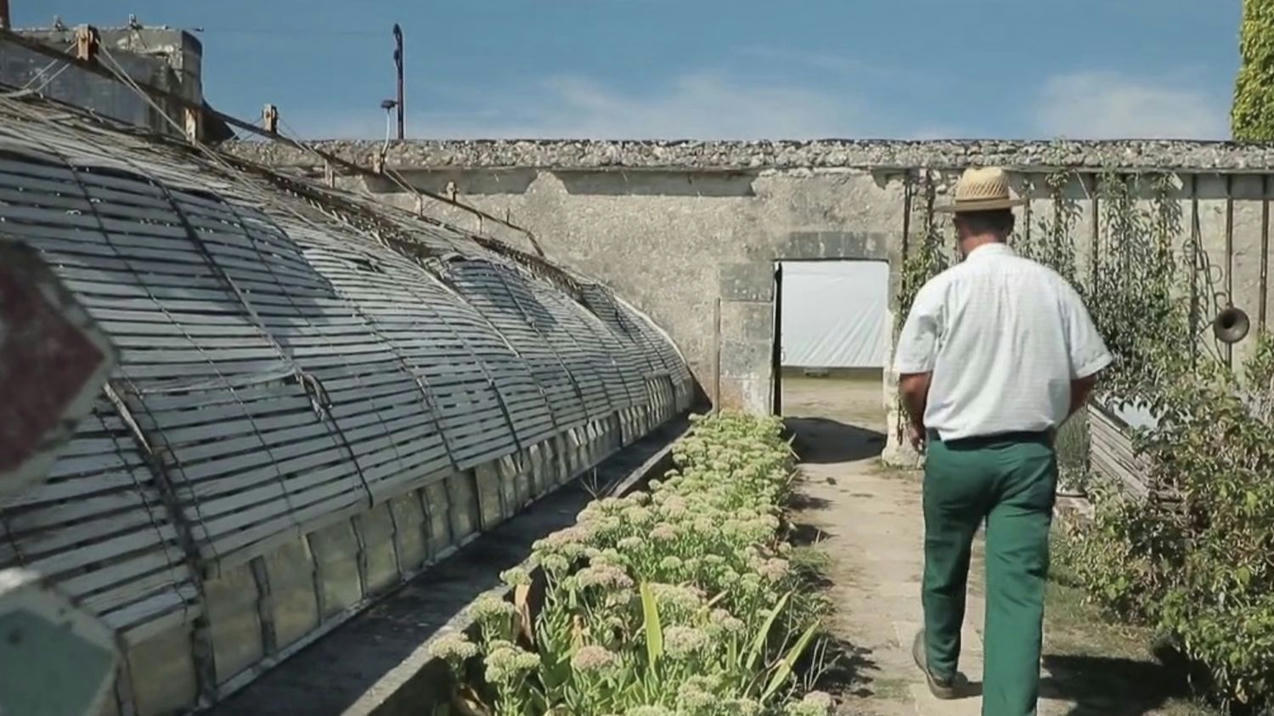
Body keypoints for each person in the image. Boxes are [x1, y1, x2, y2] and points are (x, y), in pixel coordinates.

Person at [893, 166, 1111, 715]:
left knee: (945, 563)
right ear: (1010, 223)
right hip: (1027, 456)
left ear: (959, 226)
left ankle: (942, 666)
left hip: (956, 452)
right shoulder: (1051, 287)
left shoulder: (942, 290)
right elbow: (1086, 372)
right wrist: (1051, 417)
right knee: (1018, 591)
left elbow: (914, 378)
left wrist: (919, 421)